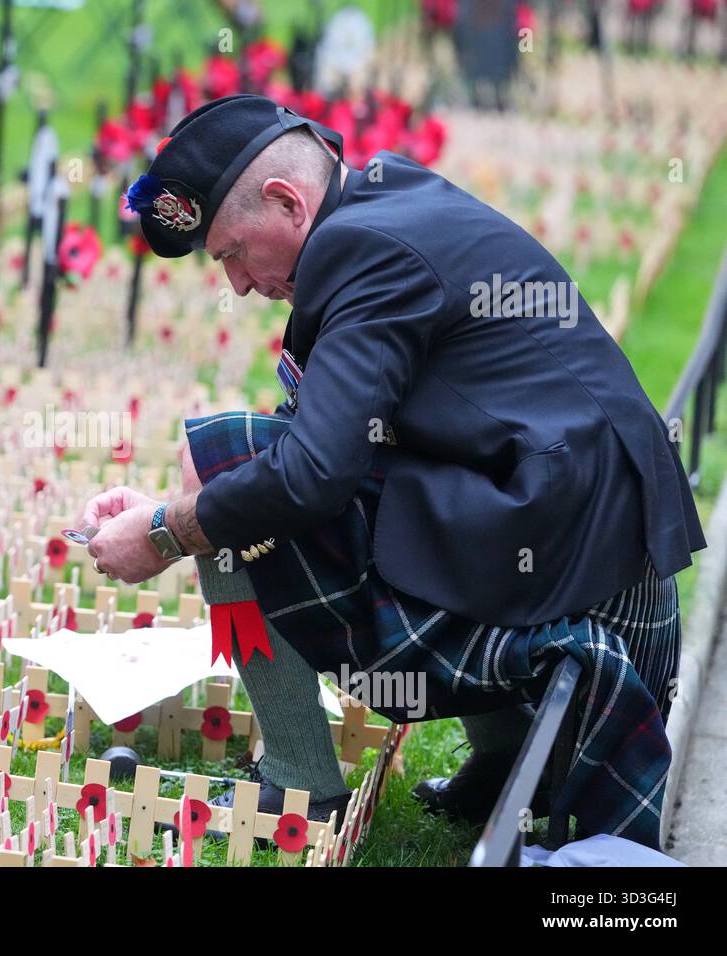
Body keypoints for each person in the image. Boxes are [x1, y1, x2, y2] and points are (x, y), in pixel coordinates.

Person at [78, 94, 704, 847]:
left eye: (233, 252)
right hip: (584, 539)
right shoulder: (379, 201)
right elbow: (330, 439)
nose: (239, 285)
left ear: (287, 201)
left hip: (588, 573)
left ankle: (299, 782)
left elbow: (312, 473)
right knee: (235, 474)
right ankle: (506, 760)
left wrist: (166, 532)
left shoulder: (360, 249)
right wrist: (168, 514)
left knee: (222, 461)